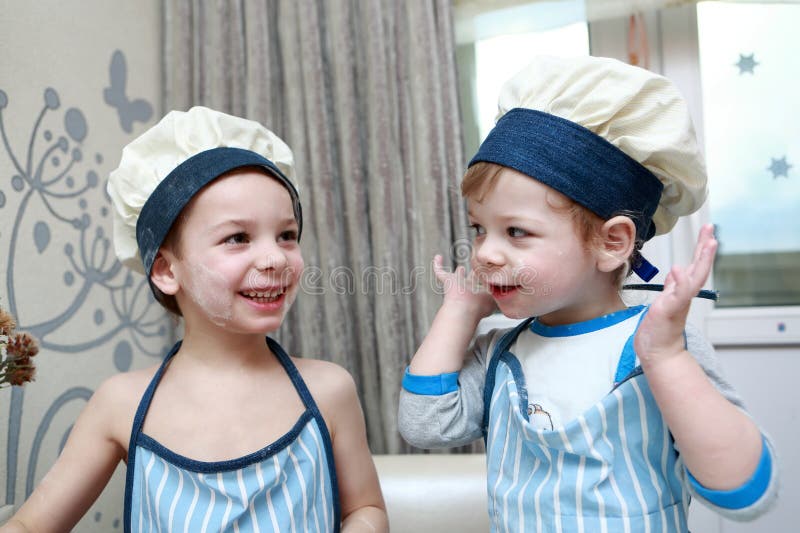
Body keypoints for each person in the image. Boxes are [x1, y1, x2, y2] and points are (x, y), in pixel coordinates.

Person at [398, 55, 778, 532]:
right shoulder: (501, 349)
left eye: (516, 231)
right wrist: (458, 311)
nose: (485, 254)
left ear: (611, 243)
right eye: (479, 228)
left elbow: (746, 493)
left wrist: (665, 359)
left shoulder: (658, 345)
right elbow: (426, 425)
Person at [2, 106, 387, 532]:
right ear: (167, 270)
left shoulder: (329, 390)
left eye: (287, 235)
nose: (276, 257)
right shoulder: (121, 404)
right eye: (237, 238)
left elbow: (365, 510)